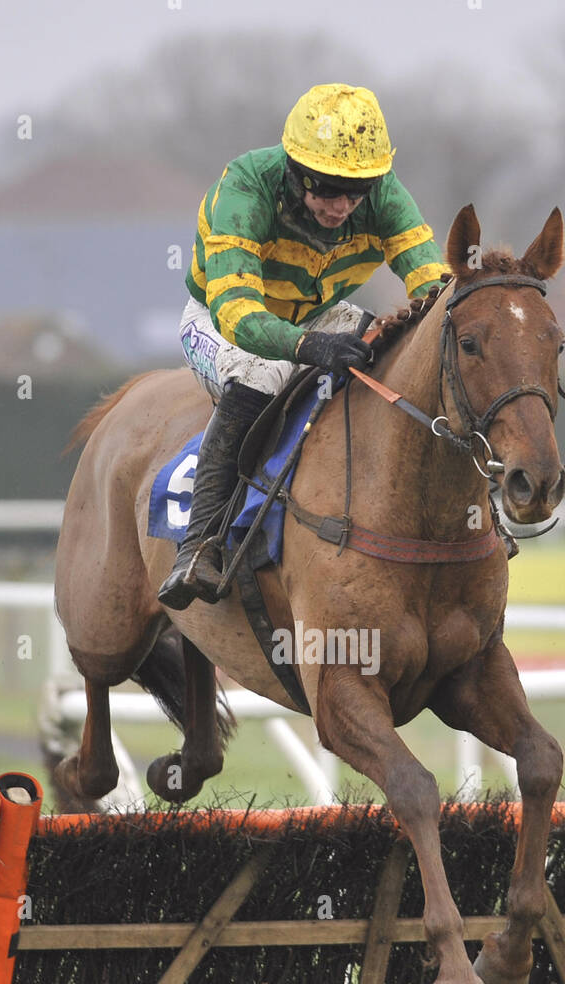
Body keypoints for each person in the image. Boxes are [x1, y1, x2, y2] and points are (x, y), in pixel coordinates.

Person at [159, 83, 449, 610]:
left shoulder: (381, 193)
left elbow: (434, 281)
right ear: (295, 170)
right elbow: (238, 312)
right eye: (327, 188)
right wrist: (311, 345)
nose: (342, 206)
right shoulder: (245, 187)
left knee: (390, 348)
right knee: (261, 373)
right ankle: (200, 543)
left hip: (318, 316)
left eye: (355, 191)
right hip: (222, 321)